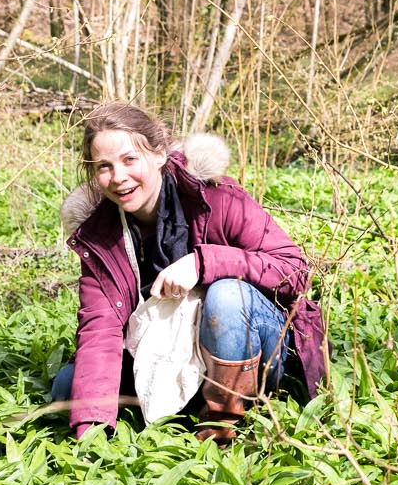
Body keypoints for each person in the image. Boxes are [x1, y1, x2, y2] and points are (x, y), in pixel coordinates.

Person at [50, 102, 326, 441]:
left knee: (226, 296)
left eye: (129, 160)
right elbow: (100, 329)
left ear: (159, 155)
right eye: (104, 167)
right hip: (165, 348)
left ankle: (223, 422)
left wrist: (203, 262)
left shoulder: (217, 197)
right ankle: (183, 403)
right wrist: (91, 431)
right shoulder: (101, 237)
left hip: (255, 348)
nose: (118, 177)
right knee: (68, 390)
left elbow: (294, 272)